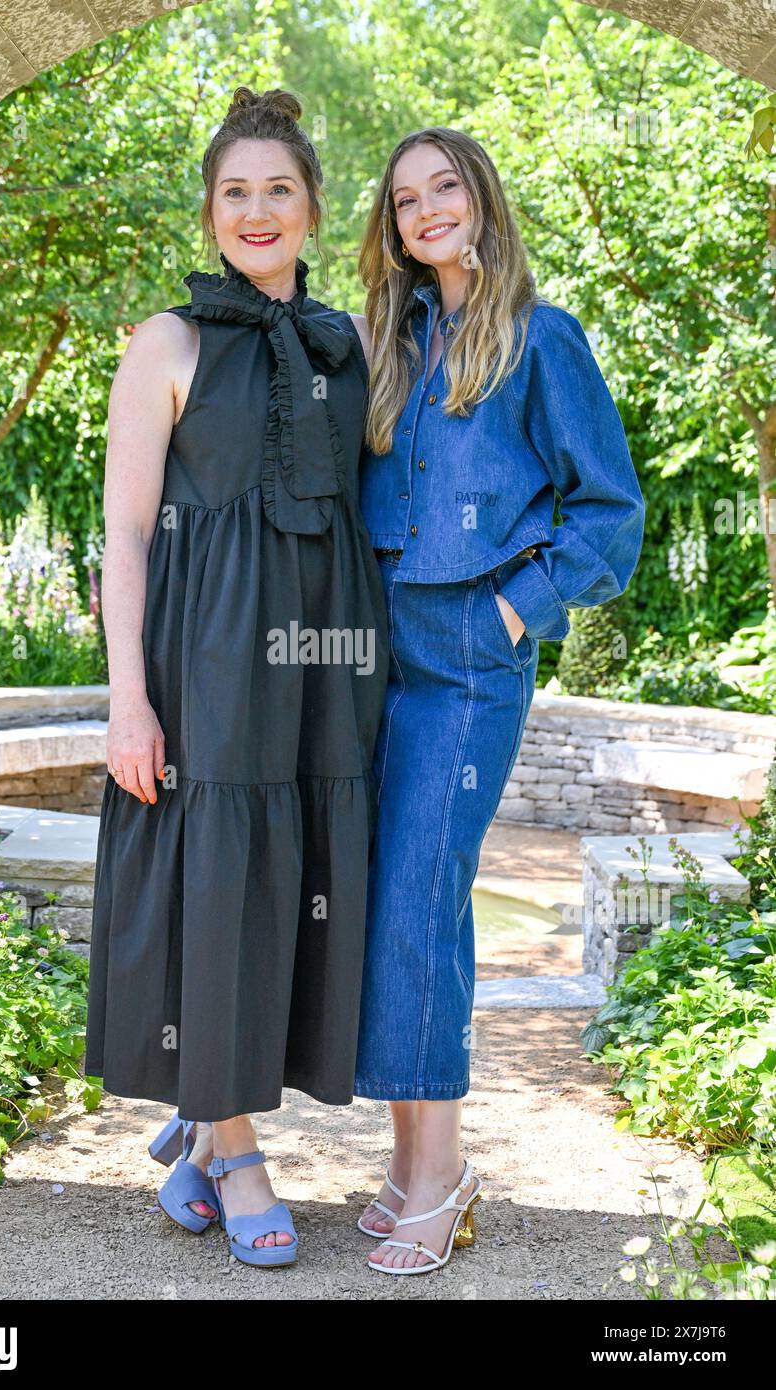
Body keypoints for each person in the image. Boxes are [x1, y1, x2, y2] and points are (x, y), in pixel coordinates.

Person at [83, 86, 388, 1268]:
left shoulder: (350, 342)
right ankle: (236, 1143)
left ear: (313, 208)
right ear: (209, 211)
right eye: (233, 192)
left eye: (278, 190)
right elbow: (122, 535)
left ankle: (206, 1128)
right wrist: (127, 698)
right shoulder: (166, 341)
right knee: (216, 878)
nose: (256, 211)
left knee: (294, 877)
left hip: (324, 660)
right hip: (204, 659)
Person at [352, 127, 646, 1275]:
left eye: (445, 188)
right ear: (391, 223)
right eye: (405, 198)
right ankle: (408, 1161)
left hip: (471, 657)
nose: (426, 210)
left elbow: (609, 515)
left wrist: (511, 613)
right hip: (368, 648)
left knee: (424, 893)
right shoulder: (387, 338)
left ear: (480, 198)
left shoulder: (542, 341)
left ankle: (440, 1175)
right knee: (385, 897)